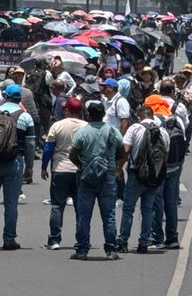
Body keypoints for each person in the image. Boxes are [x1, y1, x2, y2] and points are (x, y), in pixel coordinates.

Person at [68, 99, 125, 261]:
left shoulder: (83, 132)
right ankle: (110, 250)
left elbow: (73, 154)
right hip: (108, 176)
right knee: (109, 215)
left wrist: (82, 165)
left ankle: (82, 249)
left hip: (87, 177)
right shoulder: (113, 131)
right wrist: (113, 164)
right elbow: (121, 152)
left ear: (88, 114)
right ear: (103, 114)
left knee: (84, 215)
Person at [0, 82, 34, 250]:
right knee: (11, 203)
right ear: (20, 98)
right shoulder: (25, 116)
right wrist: (29, 166)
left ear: (4, 96)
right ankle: (9, 239)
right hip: (14, 162)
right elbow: (31, 144)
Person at [118, 103, 166, 254]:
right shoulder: (163, 132)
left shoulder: (134, 128)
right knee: (148, 210)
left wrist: (119, 168)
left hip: (136, 174)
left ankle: (123, 242)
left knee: (128, 209)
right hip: (154, 177)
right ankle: (143, 243)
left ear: (139, 117)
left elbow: (125, 150)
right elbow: (166, 156)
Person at [42, 96, 86, 250]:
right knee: (80, 207)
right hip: (79, 170)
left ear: (67, 110)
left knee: (57, 205)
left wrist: (43, 167)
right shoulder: (87, 127)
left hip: (60, 169)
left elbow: (48, 148)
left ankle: (54, 240)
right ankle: (81, 240)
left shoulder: (57, 125)